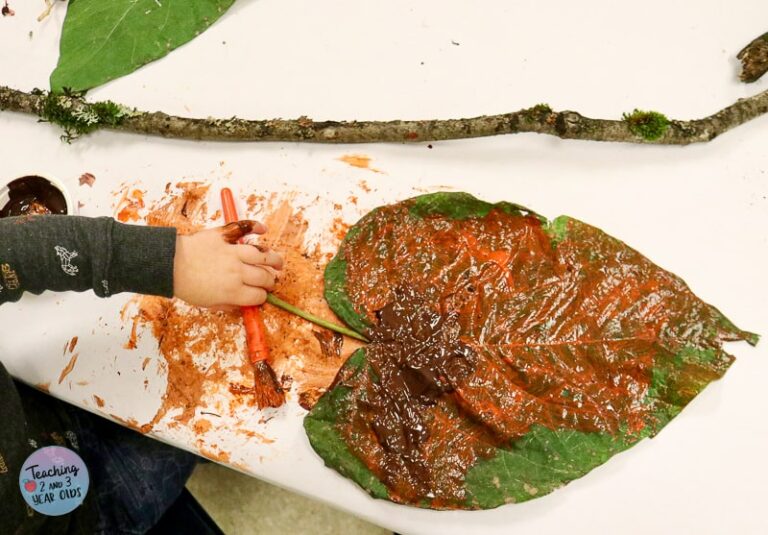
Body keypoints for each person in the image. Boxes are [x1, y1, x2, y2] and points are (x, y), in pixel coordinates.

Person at [0, 214, 283, 534]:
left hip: (43, 409)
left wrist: (178, 262)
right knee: (209, 425)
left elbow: (12, 251)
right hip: (89, 510)